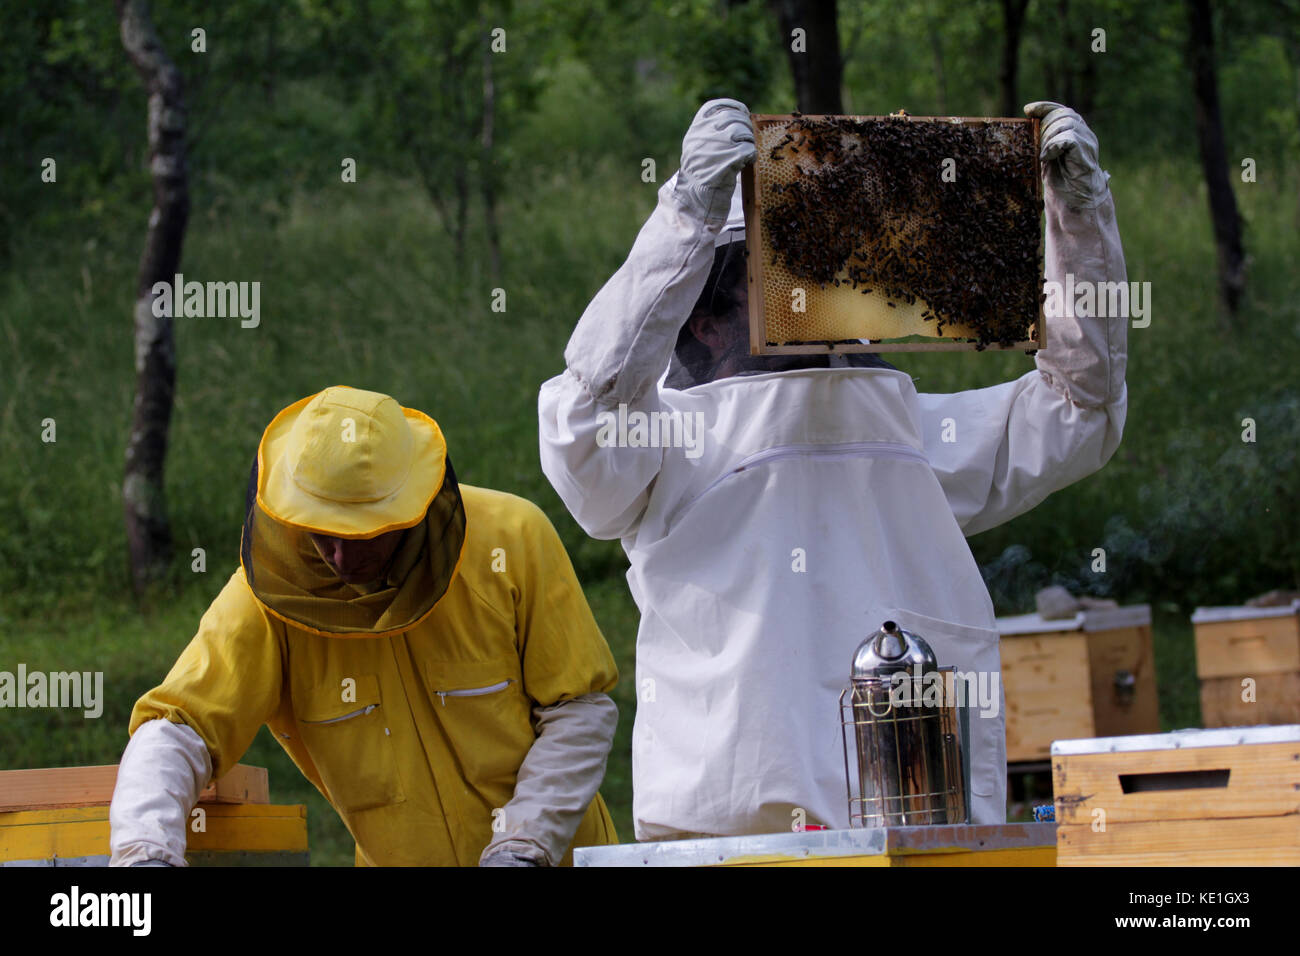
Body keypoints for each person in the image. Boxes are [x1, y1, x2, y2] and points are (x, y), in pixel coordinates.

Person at [538, 98, 1128, 839]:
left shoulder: (900, 426)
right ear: (701, 317)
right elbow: (584, 412)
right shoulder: (664, 437)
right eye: (774, 273)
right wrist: (684, 217)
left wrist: (1077, 221)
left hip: (918, 829)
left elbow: (1082, 405)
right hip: (735, 844)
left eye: (824, 272)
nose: (809, 296)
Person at [110, 386, 620, 866]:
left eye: (363, 534)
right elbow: (177, 730)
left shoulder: (513, 538)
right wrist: (144, 850)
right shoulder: (266, 601)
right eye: (321, 532)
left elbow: (579, 708)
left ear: (413, 507)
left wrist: (525, 844)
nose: (339, 555)